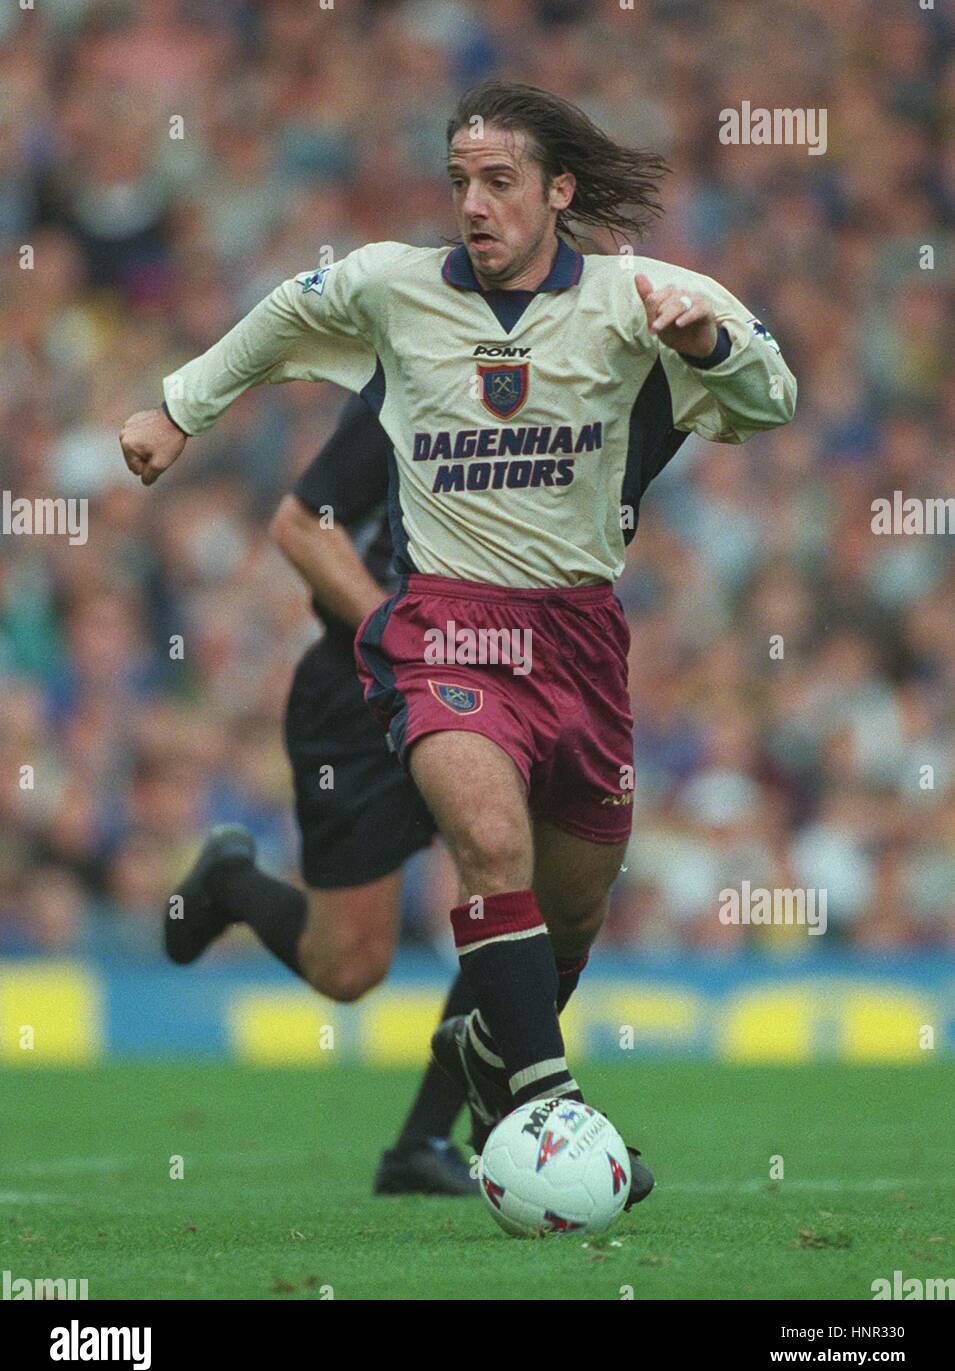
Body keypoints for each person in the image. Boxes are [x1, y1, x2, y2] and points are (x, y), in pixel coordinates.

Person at [121, 80, 796, 1210]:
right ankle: (542, 1111)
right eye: (459, 183)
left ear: (559, 192)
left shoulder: (643, 315)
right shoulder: (403, 314)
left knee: (556, 909)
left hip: (573, 643)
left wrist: (717, 339)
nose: (472, 205)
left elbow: (769, 394)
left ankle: (461, 1082)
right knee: (487, 848)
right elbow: (290, 390)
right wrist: (177, 409)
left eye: (498, 182)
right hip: (421, 636)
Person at [164, 395, 475, 1196]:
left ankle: (441, 1139)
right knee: (349, 968)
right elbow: (304, 522)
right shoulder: (417, 375)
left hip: (500, 680)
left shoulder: (583, 377)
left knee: (533, 890)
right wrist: (402, 644)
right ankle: (230, 881)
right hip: (365, 690)